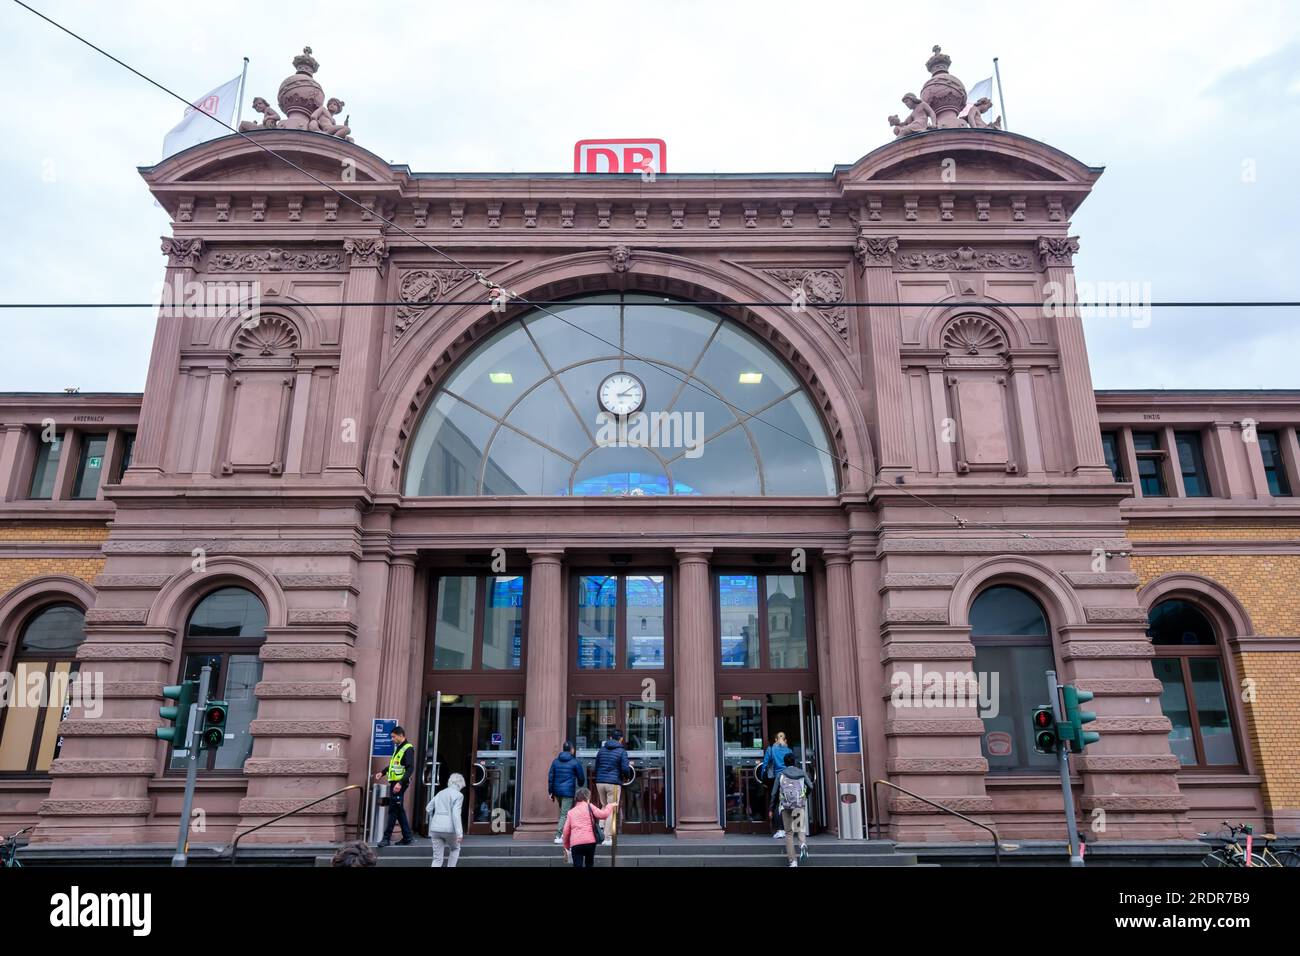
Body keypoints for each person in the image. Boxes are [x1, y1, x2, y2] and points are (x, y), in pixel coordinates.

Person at [373, 726, 415, 847]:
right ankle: (407, 837)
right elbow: (393, 765)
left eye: (393, 736)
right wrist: (382, 772)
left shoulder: (408, 748)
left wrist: (400, 783)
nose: (392, 739)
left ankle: (386, 838)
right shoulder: (399, 748)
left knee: (393, 810)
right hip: (395, 783)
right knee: (398, 809)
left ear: (401, 735)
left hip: (399, 784)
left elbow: (410, 768)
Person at [592, 728, 632, 845]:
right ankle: (607, 838)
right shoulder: (622, 751)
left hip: (600, 782)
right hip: (613, 783)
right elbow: (625, 769)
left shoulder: (602, 750)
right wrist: (627, 776)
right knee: (611, 810)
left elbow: (596, 766)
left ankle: (601, 832)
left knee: (604, 806)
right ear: (621, 739)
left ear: (610, 738)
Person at [772, 752, 813, 867]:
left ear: (785, 763)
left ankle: (793, 861)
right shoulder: (801, 773)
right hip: (799, 804)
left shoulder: (781, 774)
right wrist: (805, 796)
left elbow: (774, 793)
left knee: (789, 833)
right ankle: (802, 844)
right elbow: (810, 786)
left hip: (785, 806)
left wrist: (771, 807)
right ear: (794, 762)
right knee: (799, 829)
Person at [561, 787, 616, 868]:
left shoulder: (571, 812)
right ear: (587, 797)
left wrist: (566, 845)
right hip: (590, 842)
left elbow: (566, 831)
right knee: (589, 864)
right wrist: (610, 806)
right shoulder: (590, 806)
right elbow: (603, 815)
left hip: (576, 844)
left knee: (577, 865)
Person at [547, 741, 587, 845]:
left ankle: (565, 833)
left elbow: (550, 777)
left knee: (563, 812)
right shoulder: (574, 762)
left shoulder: (555, 762)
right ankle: (558, 835)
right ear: (571, 750)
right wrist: (581, 783)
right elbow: (581, 776)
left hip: (557, 792)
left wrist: (550, 791)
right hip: (568, 792)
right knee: (564, 814)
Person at [426, 772, 466, 867]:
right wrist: (459, 833)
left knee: (437, 859)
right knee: (455, 849)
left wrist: (436, 817)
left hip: (435, 829)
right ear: (459, 783)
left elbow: (428, 808)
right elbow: (456, 815)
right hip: (449, 829)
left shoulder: (440, 793)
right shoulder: (459, 795)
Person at [759, 731, 793, 838]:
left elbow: (765, 765)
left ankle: (780, 829)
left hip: (778, 779)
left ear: (775, 740)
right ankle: (790, 828)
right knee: (788, 803)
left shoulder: (771, 749)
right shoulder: (789, 750)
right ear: (785, 740)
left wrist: (763, 779)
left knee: (778, 803)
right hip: (789, 779)